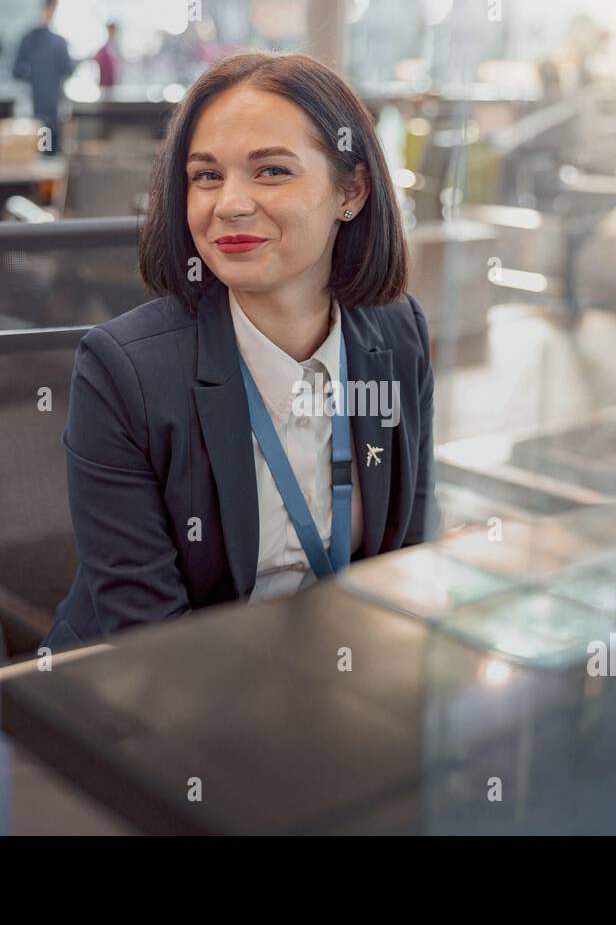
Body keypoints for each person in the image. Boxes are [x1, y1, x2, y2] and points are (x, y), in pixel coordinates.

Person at [43, 51, 436, 650]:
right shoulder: (123, 371)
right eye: (206, 176)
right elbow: (154, 644)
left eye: (272, 171)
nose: (229, 204)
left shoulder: (398, 333)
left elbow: (404, 559)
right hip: (152, 701)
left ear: (350, 190)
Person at [12, 0, 74, 156]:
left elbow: (16, 72)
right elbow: (67, 70)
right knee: (48, 153)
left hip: (35, 110)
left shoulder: (28, 39)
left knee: (38, 153)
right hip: (50, 109)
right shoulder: (58, 43)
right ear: (51, 9)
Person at [94, 22, 121, 89]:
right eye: (111, 31)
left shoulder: (116, 48)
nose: (113, 33)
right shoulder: (104, 50)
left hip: (115, 84)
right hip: (105, 85)